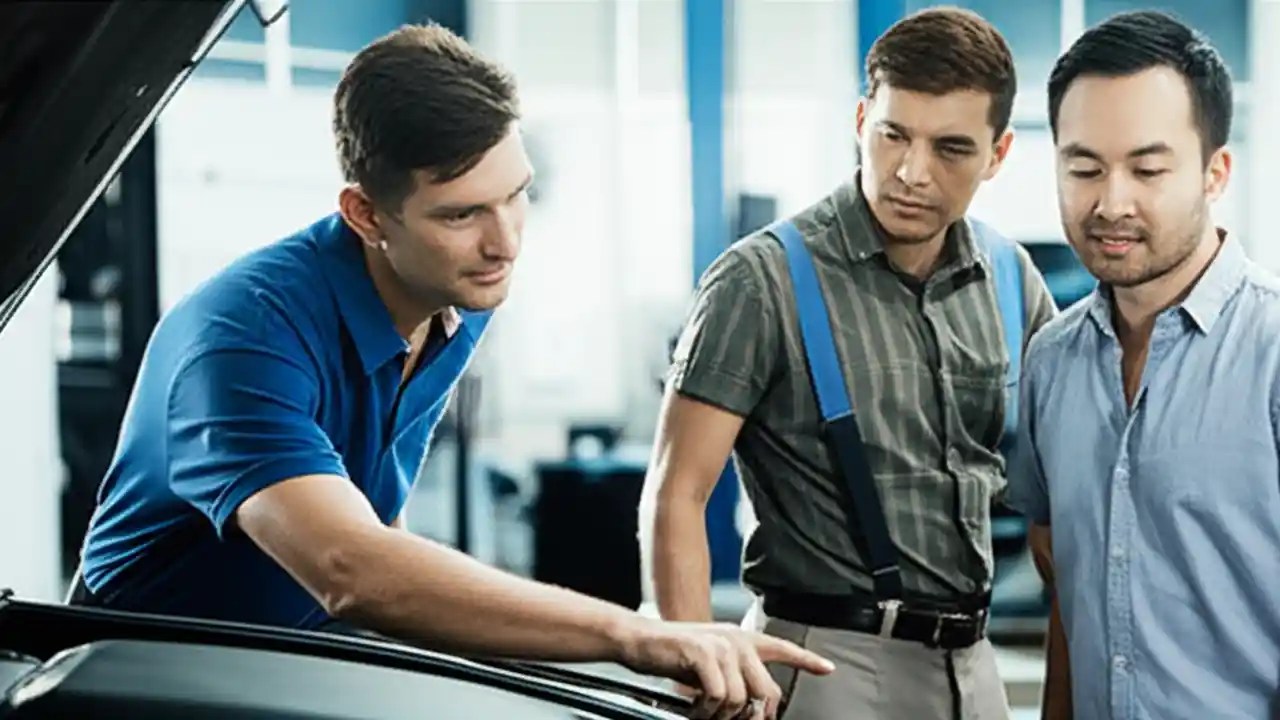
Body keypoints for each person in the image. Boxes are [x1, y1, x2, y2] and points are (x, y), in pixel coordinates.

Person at [67, 23, 833, 720]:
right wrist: (638, 635)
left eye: (517, 196)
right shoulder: (239, 336)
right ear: (367, 215)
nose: (506, 243)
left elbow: (376, 524)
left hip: (296, 667)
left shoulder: (455, 296)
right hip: (141, 681)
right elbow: (352, 568)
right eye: (462, 214)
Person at [639, 7, 1057, 719]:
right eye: (893, 134)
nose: (910, 172)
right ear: (862, 117)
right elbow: (675, 496)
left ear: (998, 154)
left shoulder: (1013, 280)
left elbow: (1057, 493)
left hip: (972, 667)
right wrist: (697, 679)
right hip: (824, 664)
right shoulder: (758, 281)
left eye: (951, 149)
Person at [1005, 10, 1280, 720]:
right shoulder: (1051, 362)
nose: (1110, 202)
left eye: (1148, 169)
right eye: (1084, 167)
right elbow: (1065, 589)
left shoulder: (1273, 350)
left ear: (1215, 171)